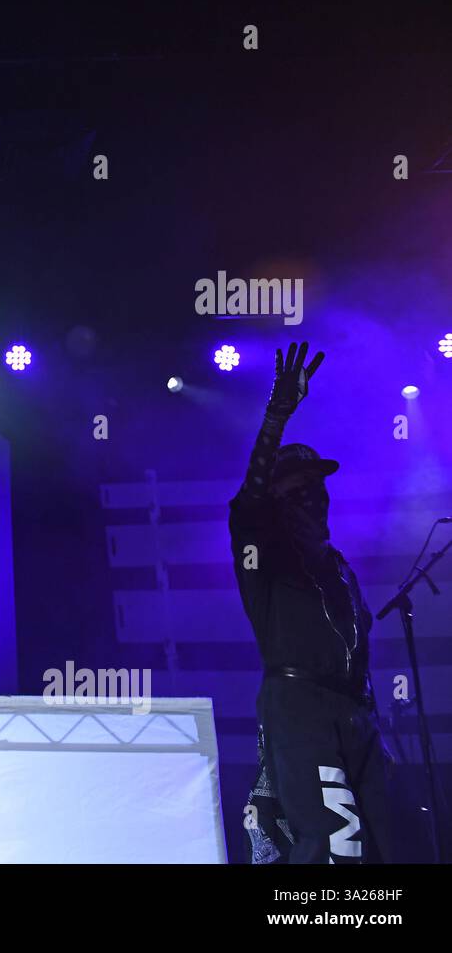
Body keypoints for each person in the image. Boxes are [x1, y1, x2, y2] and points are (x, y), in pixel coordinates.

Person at [230, 342, 393, 862]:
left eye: (319, 484)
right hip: (300, 704)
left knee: (384, 837)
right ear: (279, 496)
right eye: (300, 486)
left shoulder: (338, 565)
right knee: (334, 841)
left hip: (355, 710)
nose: (315, 493)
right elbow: (248, 501)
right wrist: (277, 415)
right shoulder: (266, 553)